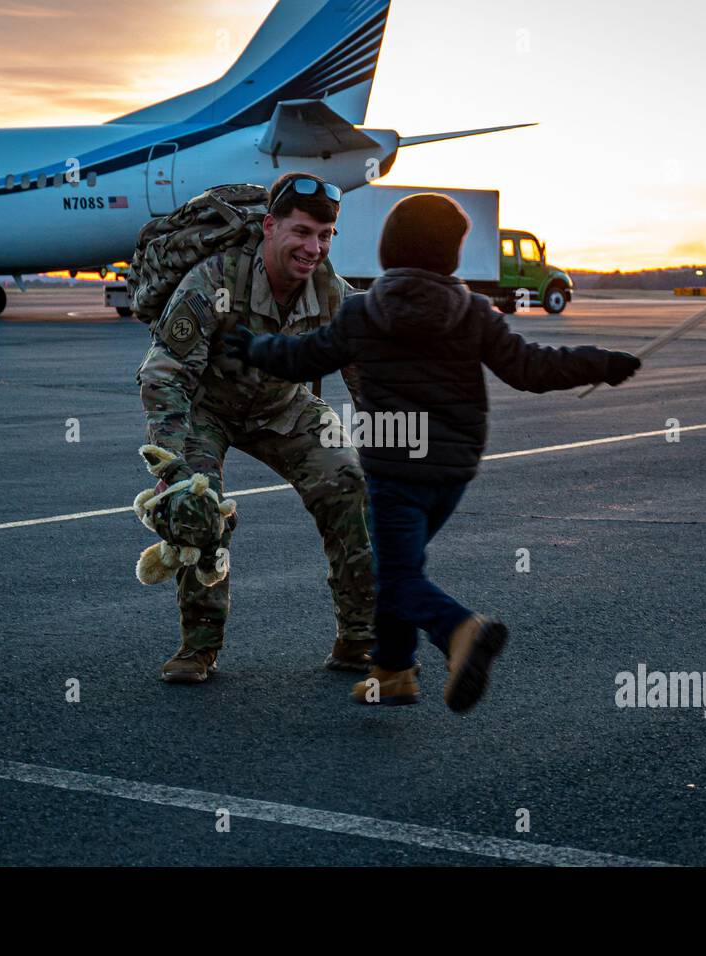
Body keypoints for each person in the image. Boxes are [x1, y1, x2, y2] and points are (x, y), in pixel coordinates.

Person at [226, 192, 641, 711]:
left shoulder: (365, 310)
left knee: (393, 576)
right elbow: (532, 368)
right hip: (452, 471)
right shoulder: (474, 312)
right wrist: (598, 361)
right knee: (401, 567)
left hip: (395, 468)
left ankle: (461, 631)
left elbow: (301, 357)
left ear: (388, 250)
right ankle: (393, 670)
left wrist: (252, 346)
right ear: (453, 256)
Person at [136, 173, 376, 683]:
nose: (314, 248)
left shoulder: (331, 292)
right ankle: (198, 648)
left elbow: (366, 378)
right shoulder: (215, 280)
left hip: (283, 406)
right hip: (208, 409)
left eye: (325, 236)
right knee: (197, 505)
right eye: (302, 232)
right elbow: (164, 374)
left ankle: (359, 637)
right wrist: (170, 465)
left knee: (348, 484)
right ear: (270, 226)